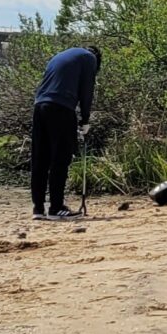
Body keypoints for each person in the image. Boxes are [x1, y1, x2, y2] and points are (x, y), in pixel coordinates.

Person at [30, 45, 101, 221]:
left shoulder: (62, 55)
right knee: (60, 159)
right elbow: (87, 91)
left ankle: (38, 208)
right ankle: (56, 208)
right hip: (61, 108)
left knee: (40, 158)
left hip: (40, 106)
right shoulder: (90, 59)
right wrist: (85, 120)